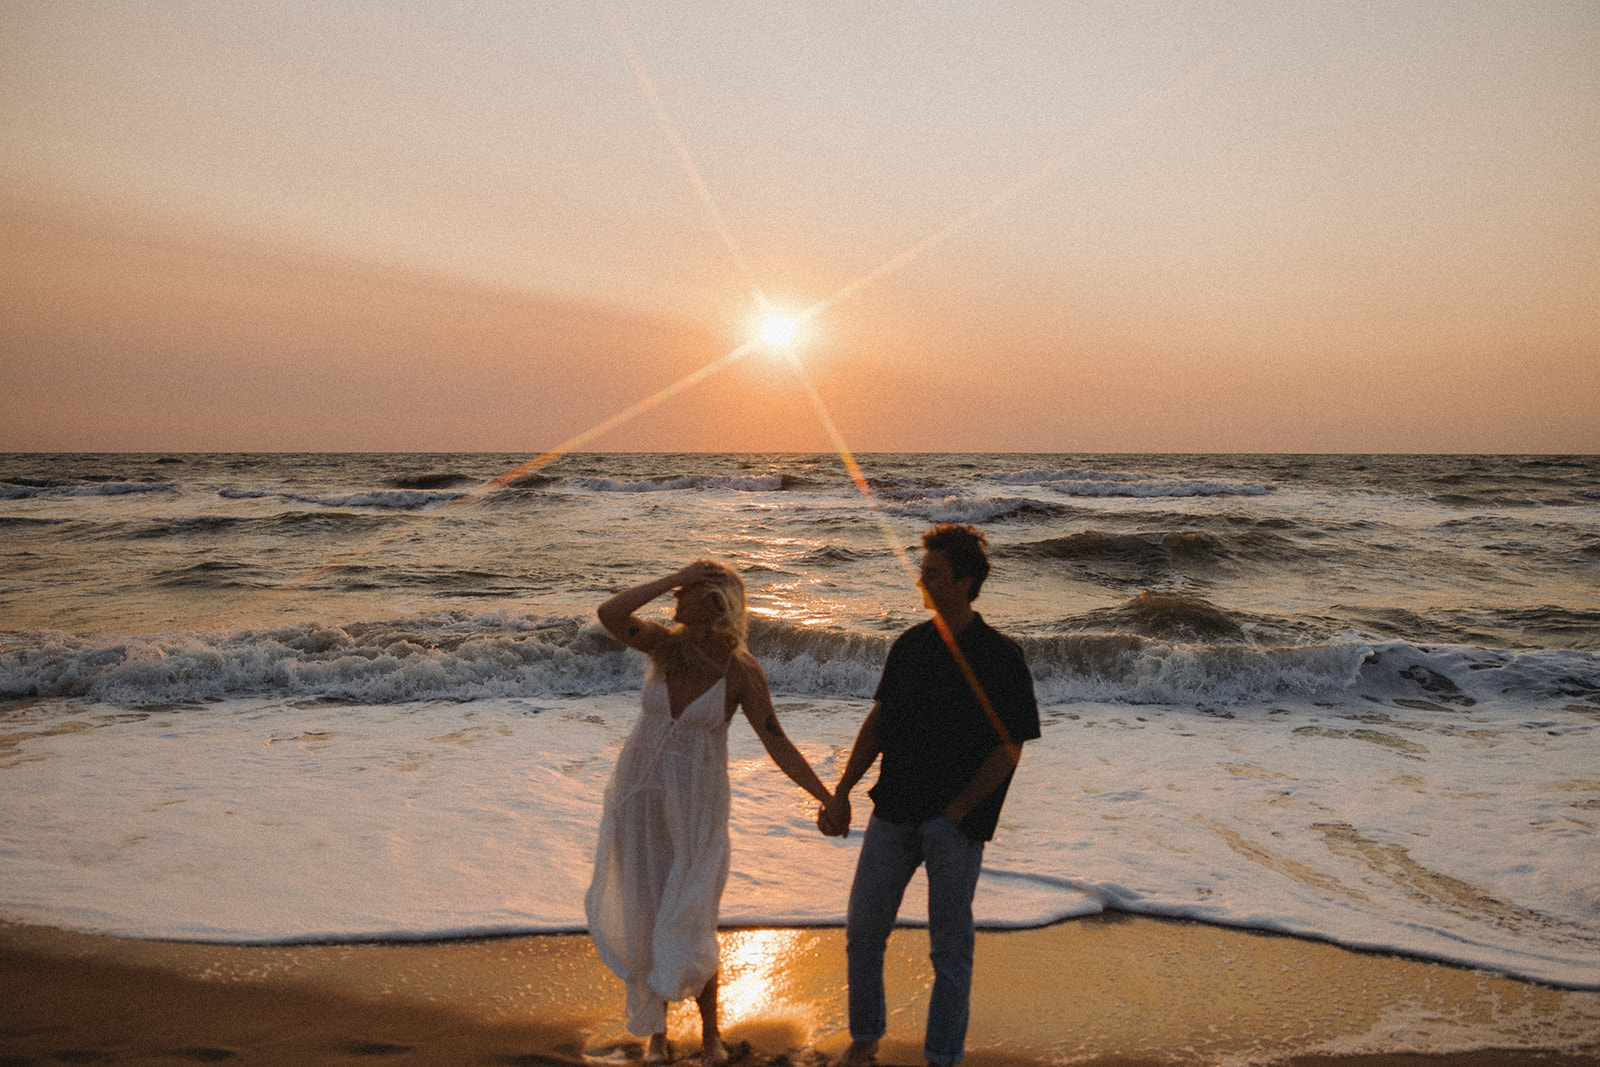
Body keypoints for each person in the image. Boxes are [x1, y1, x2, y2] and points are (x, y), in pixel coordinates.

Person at [587, 560, 833, 1067]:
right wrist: (671, 576)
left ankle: (711, 1036)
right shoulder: (662, 646)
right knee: (646, 906)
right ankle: (655, 1035)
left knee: (694, 913)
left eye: (687, 592)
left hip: (697, 803)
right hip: (640, 796)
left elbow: (777, 740)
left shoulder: (740, 670)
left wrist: (825, 795)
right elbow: (610, 612)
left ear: (715, 601)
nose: (675, 599)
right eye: (677, 591)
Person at [817, 524, 1040, 1067]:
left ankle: (942, 1056)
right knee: (863, 933)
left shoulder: (1001, 655)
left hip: (953, 827)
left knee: (950, 952)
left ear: (964, 581)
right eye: (922, 569)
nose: (921, 578)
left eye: (933, 571)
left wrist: (958, 812)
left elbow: (1009, 747)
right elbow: (879, 721)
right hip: (891, 811)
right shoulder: (911, 644)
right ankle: (865, 1040)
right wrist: (842, 790)